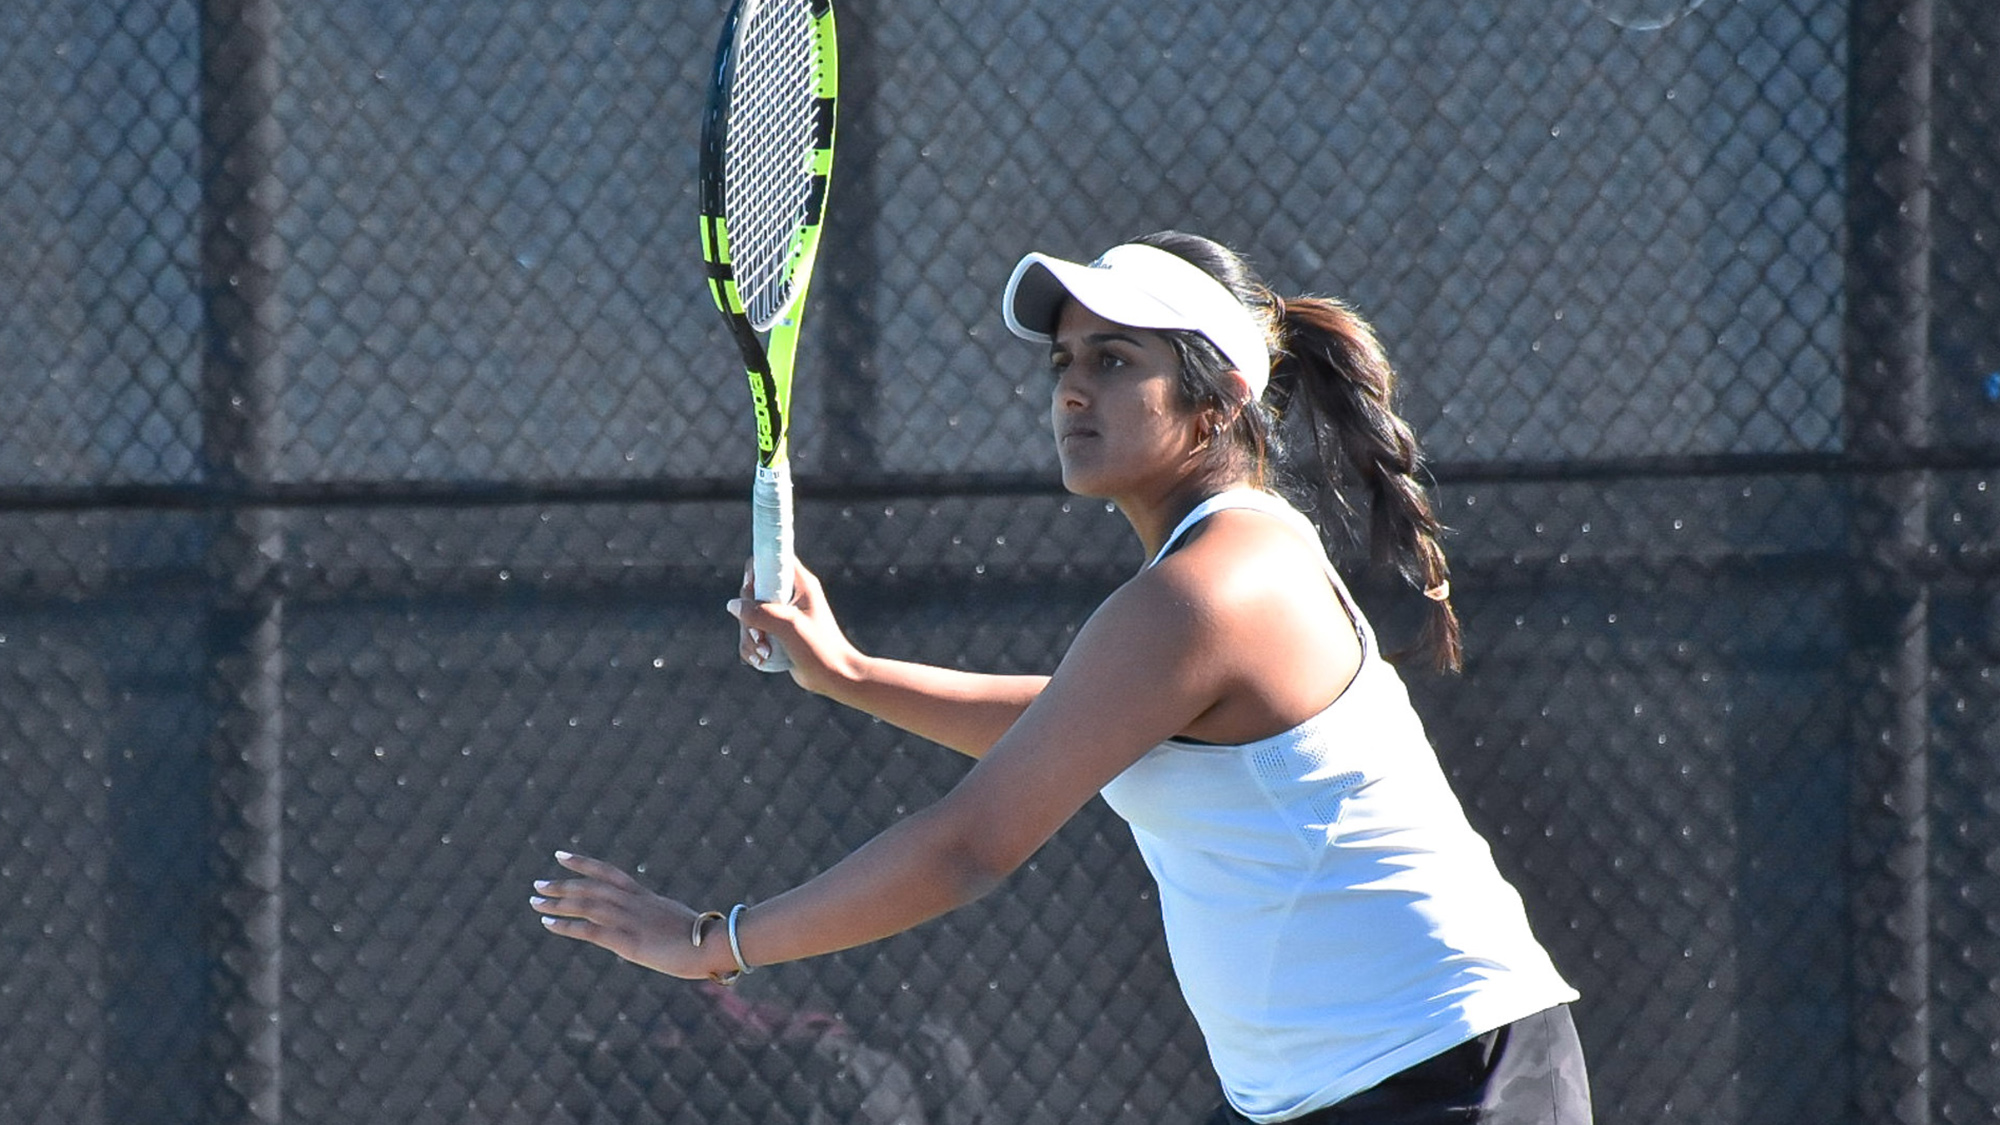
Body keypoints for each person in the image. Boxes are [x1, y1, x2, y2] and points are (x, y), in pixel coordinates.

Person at [531, 231, 1592, 1124]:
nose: (1073, 389)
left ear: (1217, 398)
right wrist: (849, 671)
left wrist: (707, 943)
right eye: (1063, 362)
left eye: (1115, 360)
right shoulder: (1216, 572)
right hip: (1344, 1083)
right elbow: (1071, 724)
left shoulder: (1206, 589)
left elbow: (966, 848)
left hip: (1442, 1075)